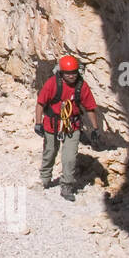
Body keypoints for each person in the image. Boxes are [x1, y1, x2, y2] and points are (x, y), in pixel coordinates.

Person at [33, 55, 101, 201]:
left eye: (74, 72)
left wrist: (95, 129)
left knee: (69, 157)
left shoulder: (81, 86)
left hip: (72, 125)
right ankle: (45, 177)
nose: (71, 76)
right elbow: (40, 103)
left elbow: (90, 108)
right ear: (61, 73)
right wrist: (38, 123)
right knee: (50, 151)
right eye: (68, 73)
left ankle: (67, 186)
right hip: (52, 124)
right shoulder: (52, 84)